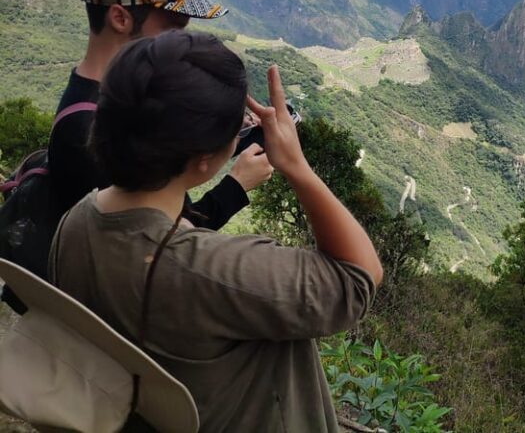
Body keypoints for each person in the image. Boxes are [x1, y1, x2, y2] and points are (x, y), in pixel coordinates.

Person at [49, 30, 383, 432]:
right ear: (205, 161)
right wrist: (297, 166)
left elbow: (153, 240)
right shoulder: (215, 272)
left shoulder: (76, 222)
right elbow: (358, 278)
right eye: (235, 126)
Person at [48, 0, 272, 232]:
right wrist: (238, 185)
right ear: (120, 18)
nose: (182, 41)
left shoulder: (127, 97)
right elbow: (159, 242)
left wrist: (221, 135)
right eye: (173, 29)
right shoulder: (86, 129)